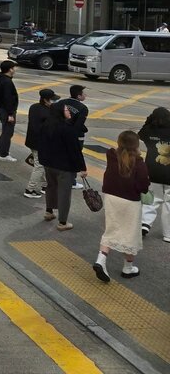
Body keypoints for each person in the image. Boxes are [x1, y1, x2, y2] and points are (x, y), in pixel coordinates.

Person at [94, 131, 150, 282]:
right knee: (130, 233)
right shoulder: (139, 162)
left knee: (111, 229)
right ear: (136, 145)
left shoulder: (111, 155)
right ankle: (128, 267)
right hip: (130, 201)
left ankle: (101, 260)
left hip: (111, 197)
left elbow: (116, 151)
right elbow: (143, 186)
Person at [37, 102, 87, 230]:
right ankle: (63, 222)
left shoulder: (46, 125)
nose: (69, 112)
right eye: (66, 110)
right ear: (60, 112)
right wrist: (82, 168)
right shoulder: (67, 129)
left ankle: (49, 212)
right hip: (64, 167)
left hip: (48, 164)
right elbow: (74, 150)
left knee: (51, 187)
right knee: (64, 193)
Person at [139, 107, 170, 241]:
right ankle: (168, 234)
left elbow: (140, 133)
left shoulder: (149, 130)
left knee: (151, 199)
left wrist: (148, 121)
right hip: (169, 172)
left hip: (152, 170)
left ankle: (145, 224)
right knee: (168, 203)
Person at [24, 89, 58, 198]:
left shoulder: (34, 107)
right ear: (45, 100)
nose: (54, 102)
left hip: (32, 141)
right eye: (52, 100)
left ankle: (45, 185)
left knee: (42, 164)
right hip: (41, 143)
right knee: (39, 166)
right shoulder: (47, 113)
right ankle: (30, 189)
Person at [55, 85, 89, 188]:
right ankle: (72, 181)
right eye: (84, 93)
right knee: (73, 157)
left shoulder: (61, 102)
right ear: (79, 96)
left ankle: (58, 177)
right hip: (75, 137)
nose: (85, 95)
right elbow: (78, 125)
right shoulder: (83, 108)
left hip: (60, 134)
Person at [0, 60, 19, 162]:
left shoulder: (0, 79)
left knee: (5, 131)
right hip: (7, 110)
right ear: (10, 69)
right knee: (8, 132)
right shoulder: (7, 82)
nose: (15, 69)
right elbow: (8, 98)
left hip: (1, 108)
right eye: (14, 67)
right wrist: (11, 114)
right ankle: (4, 154)